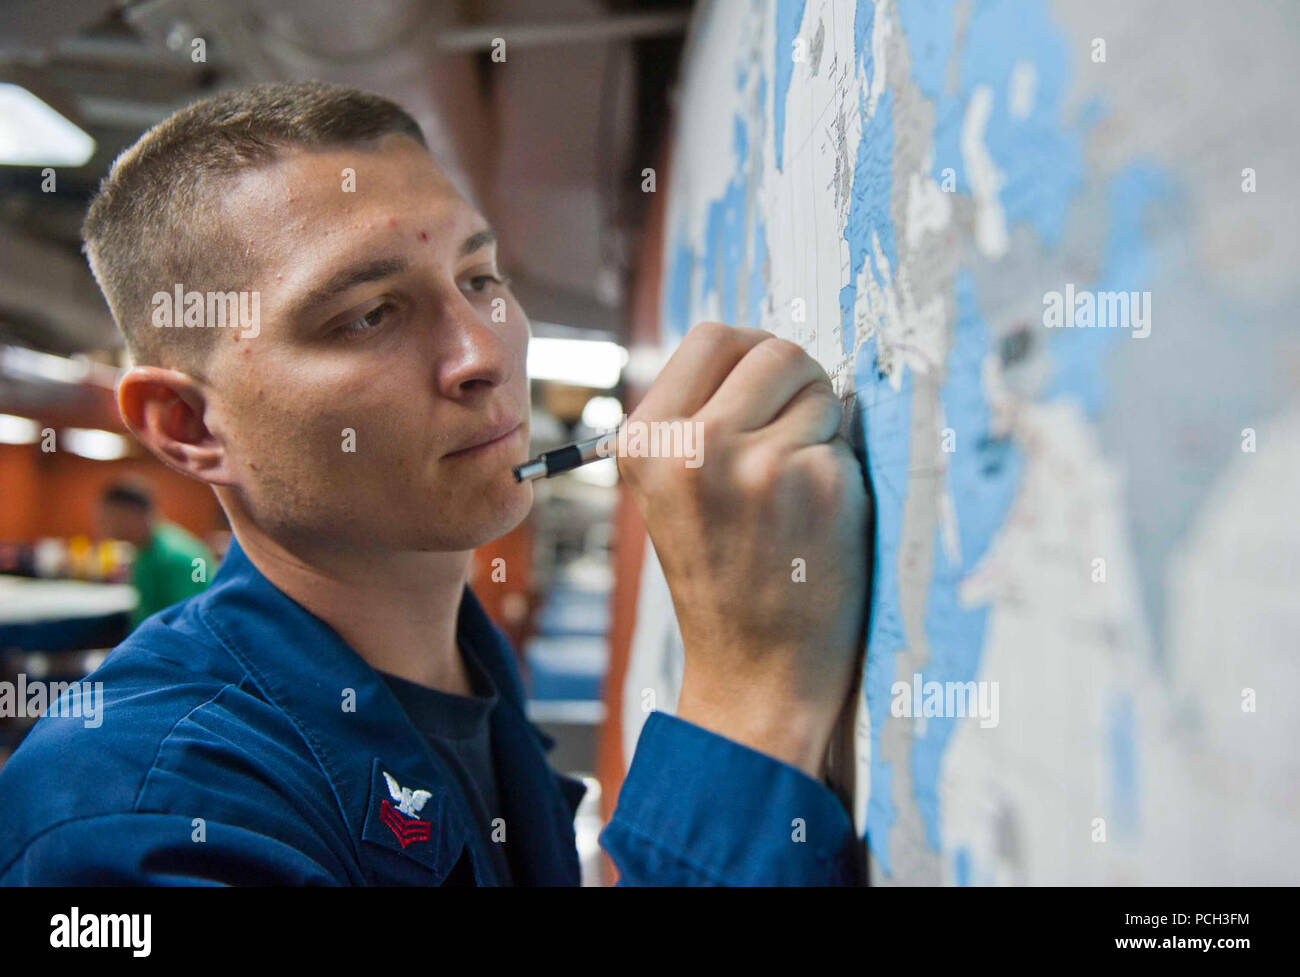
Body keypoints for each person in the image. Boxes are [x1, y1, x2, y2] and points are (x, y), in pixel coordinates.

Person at [0, 82, 869, 885]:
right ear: (188, 426)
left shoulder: (461, 672)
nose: (485, 354)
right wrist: (746, 705)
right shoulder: (130, 811)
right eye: (369, 314)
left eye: (480, 278)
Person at [98, 479, 215, 628]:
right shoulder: (146, 548)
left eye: (110, 517)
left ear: (134, 513)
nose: (103, 525)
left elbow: (188, 622)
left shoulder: (176, 556)